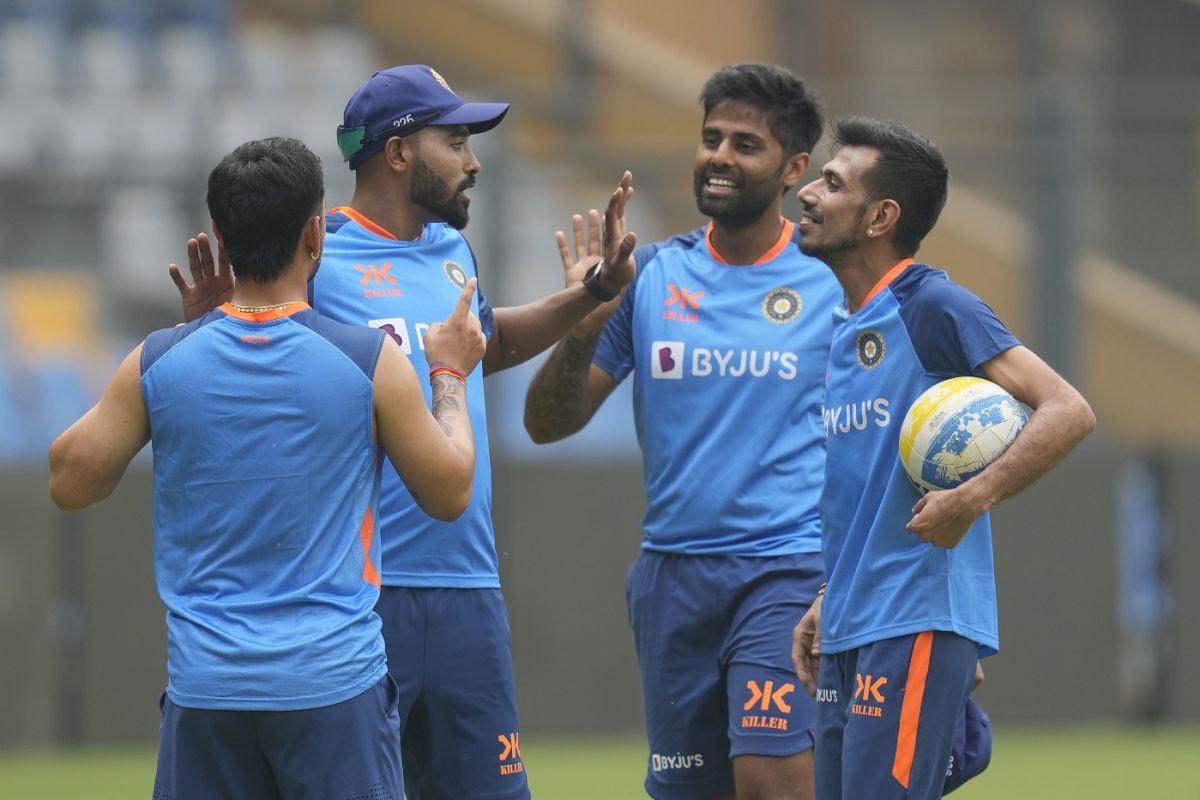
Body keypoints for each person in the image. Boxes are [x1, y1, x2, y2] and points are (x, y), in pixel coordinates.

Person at [170, 65, 637, 800]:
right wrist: (204, 325)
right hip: (358, 596)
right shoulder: (314, 257)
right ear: (397, 152)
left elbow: (485, 344)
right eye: (455, 142)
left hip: (467, 587)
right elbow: (249, 365)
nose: (474, 162)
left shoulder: (450, 251)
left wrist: (592, 293)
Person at [50, 137, 487, 799]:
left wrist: (187, 350)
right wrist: (449, 376)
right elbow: (451, 490)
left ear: (220, 234)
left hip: (209, 693)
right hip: (334, 686)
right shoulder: (370, 362)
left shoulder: (161, 362)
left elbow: (69, 480)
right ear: (316, 234)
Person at [524, 62, 838, 800]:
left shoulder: (832, 279)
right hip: (673, 577)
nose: (720, 157)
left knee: (773, 779)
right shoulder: (651, 276)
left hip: (787, 568)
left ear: (794, 169)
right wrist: (588, 319)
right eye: (711, 138)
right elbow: (548, 423)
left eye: (745, 144)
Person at [789, 116, 1095, 800]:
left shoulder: (932, 306)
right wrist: (826, 598)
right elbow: (863, 495)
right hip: (849, 624)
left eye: (832, 182)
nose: (807, 192)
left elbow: (1068, 410)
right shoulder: (845, 328)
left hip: (913, 618)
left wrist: (971, 498)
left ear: (880, 216)